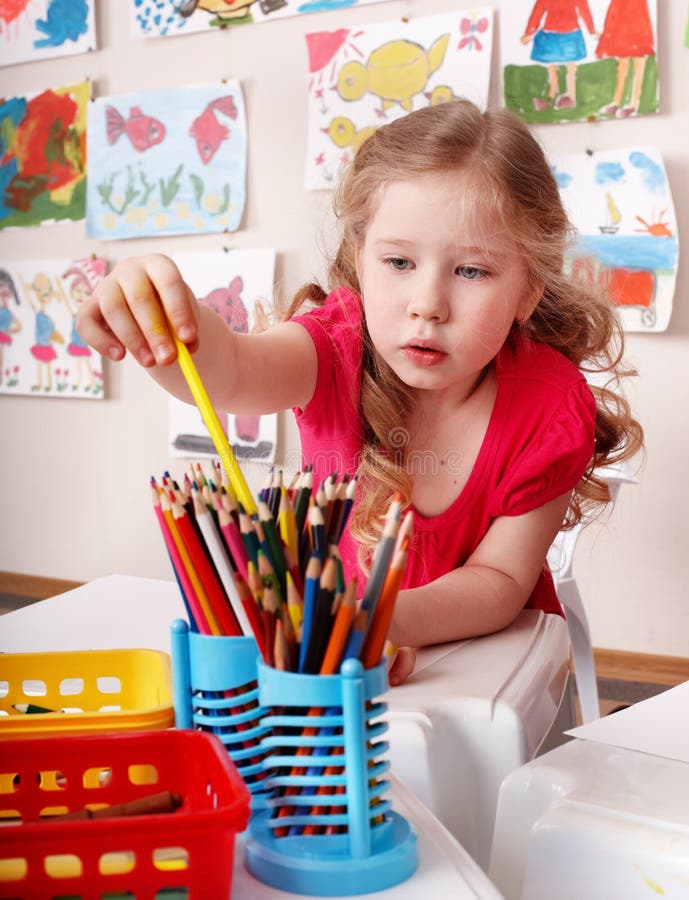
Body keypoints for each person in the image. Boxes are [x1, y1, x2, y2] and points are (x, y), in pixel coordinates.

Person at [77, 100, 643, 686]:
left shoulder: (549, 407)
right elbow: (234, 373)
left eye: (471, 271)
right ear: (359, 261)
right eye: (398, 261)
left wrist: (381, 620)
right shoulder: (333, 346)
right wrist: (160, 315)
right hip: (333, 668)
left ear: (529, 290)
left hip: (492, 676)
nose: (428, 303)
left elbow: (500, 581)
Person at [520, 0, 598, 111]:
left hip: (570, 32)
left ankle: (571, 97)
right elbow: (538, 10)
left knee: (570, 69)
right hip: (552, 33)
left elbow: (584, 9)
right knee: (552, 68)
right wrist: (529, 32)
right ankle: (551, 97)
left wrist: (592, 31)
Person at [595, 0, 655, 118]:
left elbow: (612, 20)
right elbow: (612, 20)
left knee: (628, 72)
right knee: (625, 71)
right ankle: (622, 103)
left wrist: (602, 46)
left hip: (633, 40)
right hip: (629, 40)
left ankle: (629, 104)